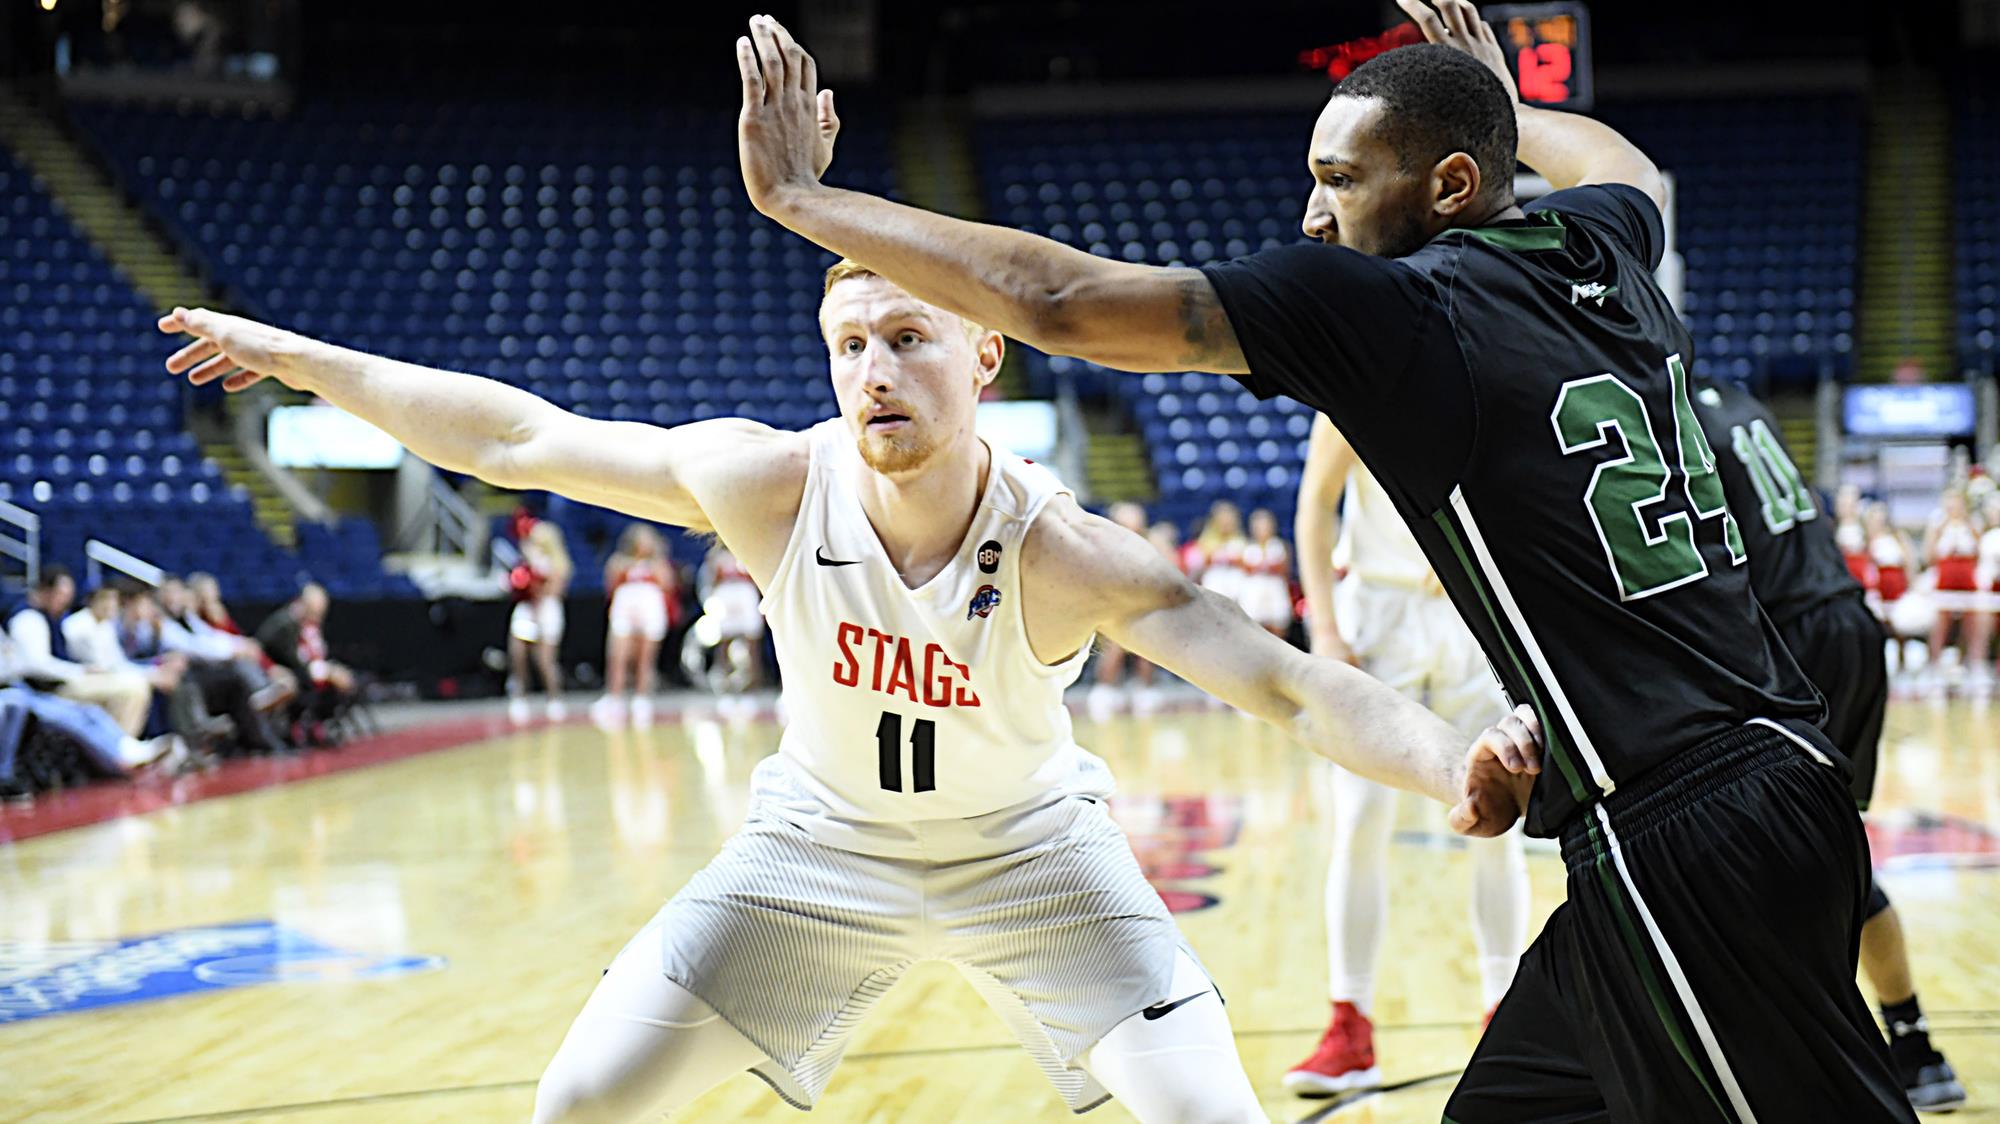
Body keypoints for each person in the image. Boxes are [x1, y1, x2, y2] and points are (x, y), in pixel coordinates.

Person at [730, 1, 1915, 1116]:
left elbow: (1062, 299)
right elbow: (1621, 162)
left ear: (1449, 185)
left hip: (1681, 824)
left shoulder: (1393, 310)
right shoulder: (1599, 241)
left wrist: (800, 198)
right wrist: (1498, 108)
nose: (1311, 217)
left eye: (1340, 181)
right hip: (1766, 775)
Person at [158, 259, 1537, 1124]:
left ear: (986, 353)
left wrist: (1450, 763)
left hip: (1037, 862)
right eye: (853, 342)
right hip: (813, 853)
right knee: (575, 1099)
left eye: (912, 338)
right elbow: (519, 438)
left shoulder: (1060, 549)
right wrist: (298, 359)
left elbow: (1295, 691)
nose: (876, 370)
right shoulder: (769, 483)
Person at [1694, 376, 1965, 1112]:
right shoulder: (1738, 399)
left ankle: (1818, 1063)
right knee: (1837, 858)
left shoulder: (1665, 410)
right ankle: (1913, 1045)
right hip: (1847, 624)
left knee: (1767, 873)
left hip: (1790, 642)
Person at [1287, 415, 1528, 1094]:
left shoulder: (1479, 366)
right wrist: (1325, 629)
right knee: (1360, 823)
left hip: (1471, 617)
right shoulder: (1348, 385)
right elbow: (1314, 505)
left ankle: (1505, 1018)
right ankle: (1351, 1027)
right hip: (1379, 616)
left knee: (1496, 822)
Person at [7, 569, 152, 736]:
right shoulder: (28, 619)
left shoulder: (53, 618)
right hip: (46, 689)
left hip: (63, 680)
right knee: (130, 689)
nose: (65, 601)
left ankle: (117, 746)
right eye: (61, 595)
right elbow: (36, 666)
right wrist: (80, 670)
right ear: (46, 592)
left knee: (135, 684)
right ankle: (118, 750)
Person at [593, 524, 675, 729]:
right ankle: (615, 698)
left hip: (650, 608)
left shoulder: (658, 563)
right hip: (625, 607)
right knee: (618, 656)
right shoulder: (618, 561)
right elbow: (610, 585)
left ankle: (641, 699)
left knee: (645, 658)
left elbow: (668, 585)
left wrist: (656, 562)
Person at [255, 583, 355, 745]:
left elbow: (313, 656)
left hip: (298, 670)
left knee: (334, 686)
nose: (318, 616)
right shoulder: (285, 624)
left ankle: (318, 724)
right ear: (304, 605)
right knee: (307, 683)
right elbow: (294, 661)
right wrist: (327, 672)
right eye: (315, 611)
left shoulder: (309, 625)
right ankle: (299, 727)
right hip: (274, 672)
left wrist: (329, 670)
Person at [1087, 501, 1157, 712]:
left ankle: (1144, 690)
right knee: (1114, 649)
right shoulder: (1103, 546)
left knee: (1147, 651)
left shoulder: (1151, 546)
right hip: (1114, 603)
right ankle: (1104, 690)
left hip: (1142, 604)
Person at [509, 521, 572, 723]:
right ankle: (519, 696)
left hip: (547, 610)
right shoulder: (524, 561)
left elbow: (555, 589)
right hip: (527, 609)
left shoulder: (558, 563)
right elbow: (516, 583)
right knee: (518, 654)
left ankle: (554, 698)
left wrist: (538, 583)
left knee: (545, 659)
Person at [1923, 488, 1983, 684]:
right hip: (1945, 581)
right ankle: (1934, 663)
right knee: (1940, 622)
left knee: (1972, 621)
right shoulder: (1938, 527)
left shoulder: (1972, 526)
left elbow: (1980, 553)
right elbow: (1929, 556)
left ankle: (1974, 663)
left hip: (1967, 581)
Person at [697, 542, 765, 695]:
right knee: (724, 637)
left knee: (752, 638)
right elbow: (708, 580)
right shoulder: (716, 556)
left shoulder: (749, 552)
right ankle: (723, 676)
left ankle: (754, 678)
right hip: (725, 595)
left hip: (745, 595)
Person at [1236, 508, 1294, 637]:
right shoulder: (1247, 546)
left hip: (1274, 588)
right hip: (1254, 589)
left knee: (1278, 626)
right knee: (1253, 629)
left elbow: (1284, 569)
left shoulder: (1279, 545)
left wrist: (1265, 566)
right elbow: (1244, 569)